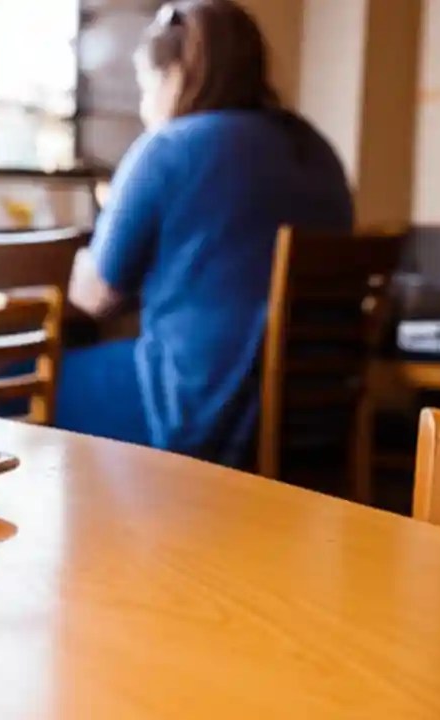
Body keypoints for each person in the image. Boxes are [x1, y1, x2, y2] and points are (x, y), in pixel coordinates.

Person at [59, 0, 353, 467]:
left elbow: (97, 296)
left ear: (174, 74)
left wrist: (73, 260)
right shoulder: (318, 151)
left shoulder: (170, 146)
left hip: (198, 407)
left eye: (145, 87)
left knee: (21, 379)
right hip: (316, 409)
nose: (144, 106)